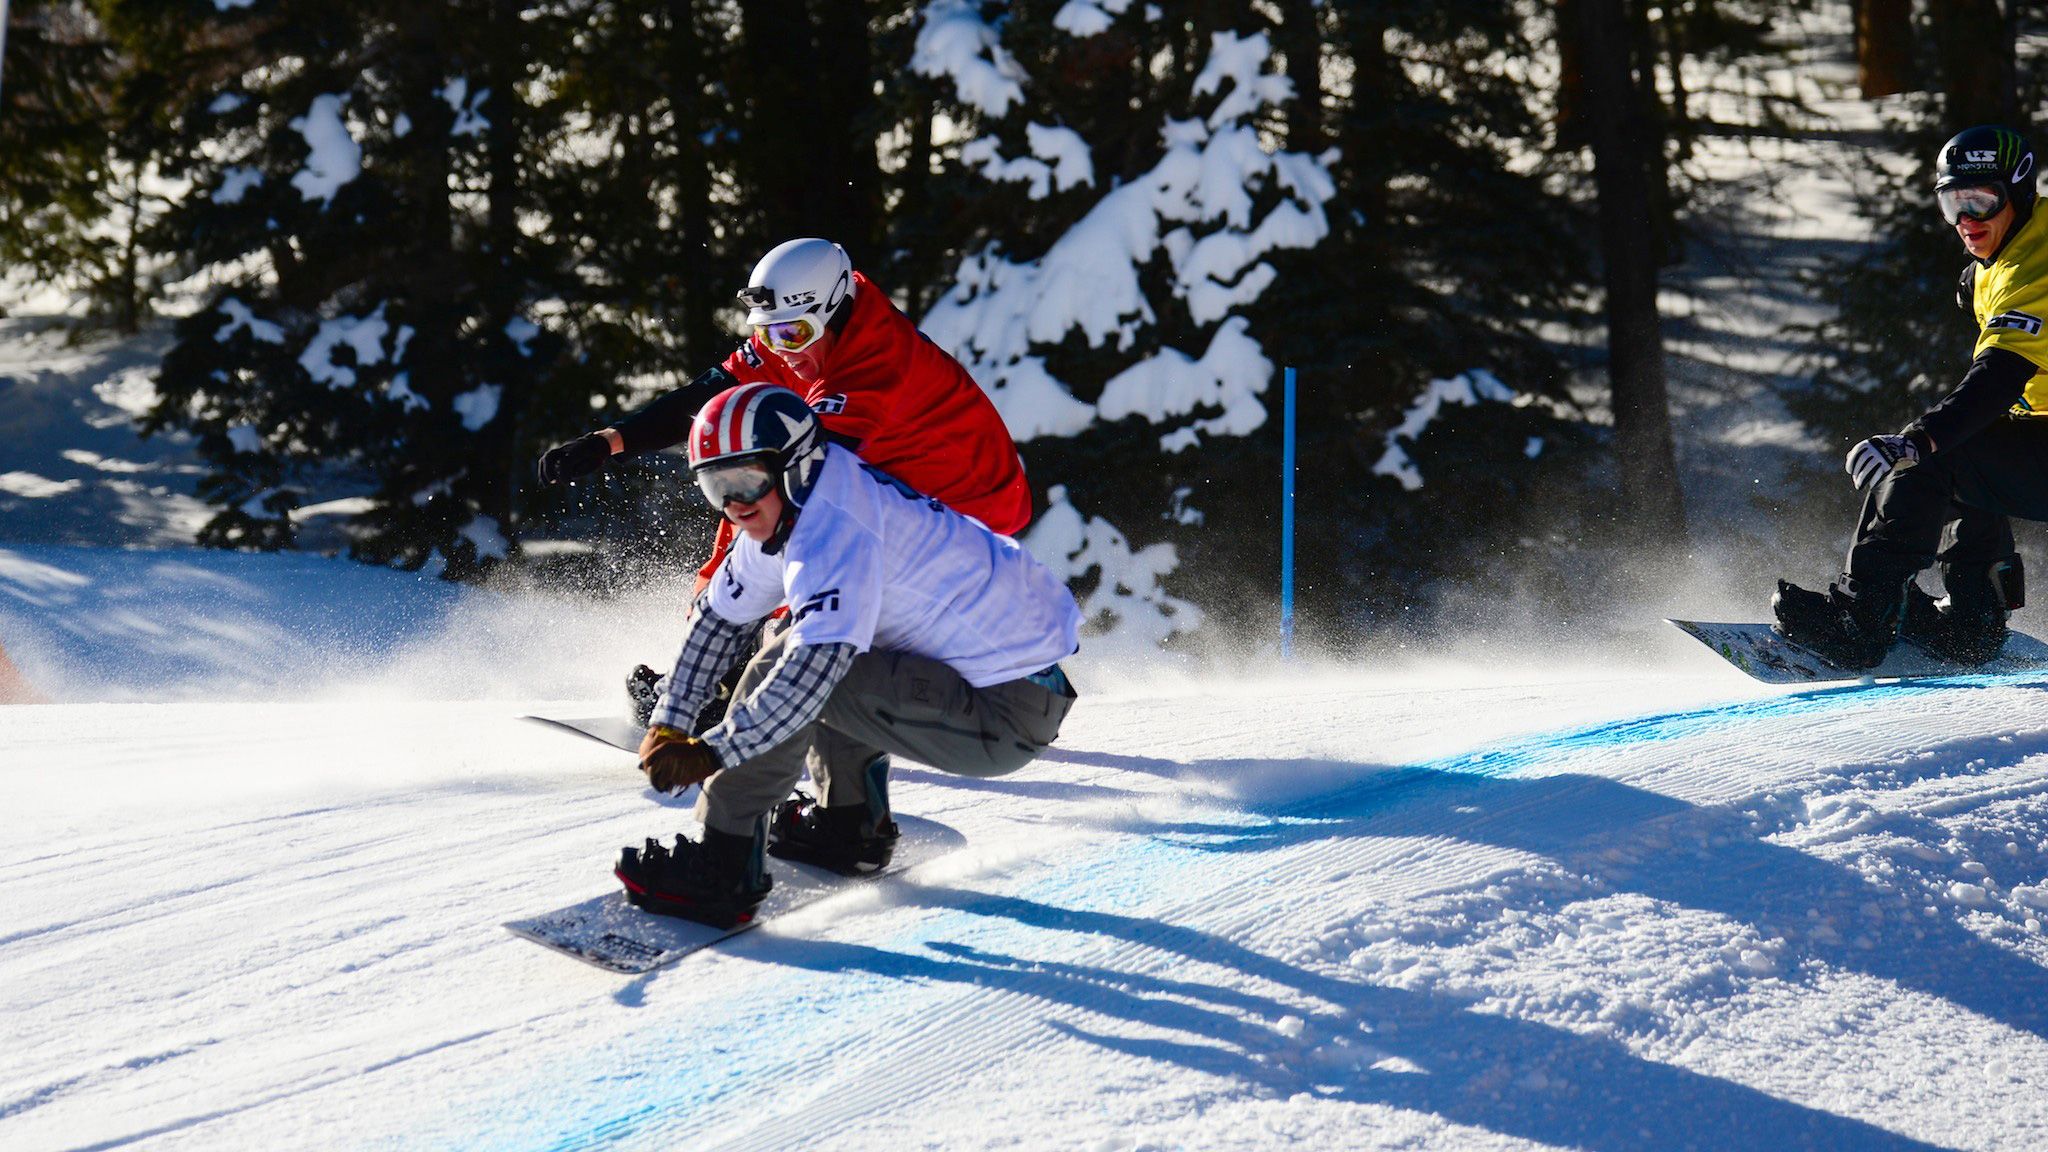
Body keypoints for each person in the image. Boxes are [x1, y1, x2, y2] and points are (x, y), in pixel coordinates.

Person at [612, 383, 1081, 928]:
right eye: (716, 487)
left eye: (746, 480)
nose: (735, 505)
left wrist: (712, 752)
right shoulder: (797, 498)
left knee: (796, 662)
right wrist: (670, 722)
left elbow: (804, 682)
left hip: (1005, 713)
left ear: (792, 463)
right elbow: (718, 621)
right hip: (1001, 688)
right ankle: (849, 824)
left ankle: (724, 868)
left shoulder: (834, 527)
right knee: (806, 637)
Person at [535, 237, 1032, 546]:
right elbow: (707, 395)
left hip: (974, 507)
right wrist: (610, 440)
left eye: (792, 335)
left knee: (786, 507)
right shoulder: (803, 324)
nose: (782, 351)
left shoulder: (874, 368)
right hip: (903, 474)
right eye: (768, 336)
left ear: (834, 311)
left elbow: (799, 488)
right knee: (759, 496)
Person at [1775, 125, 2046, 668]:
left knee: (1930, 457)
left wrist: (1914, 443)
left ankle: (1860, 624)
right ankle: (1973, 621)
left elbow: (1998, 378)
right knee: (1967, 447)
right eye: (1953, 203)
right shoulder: (2001, 255)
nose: (1967, 221)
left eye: (1980, 200)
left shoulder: (2033, 266)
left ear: (2018, 190)